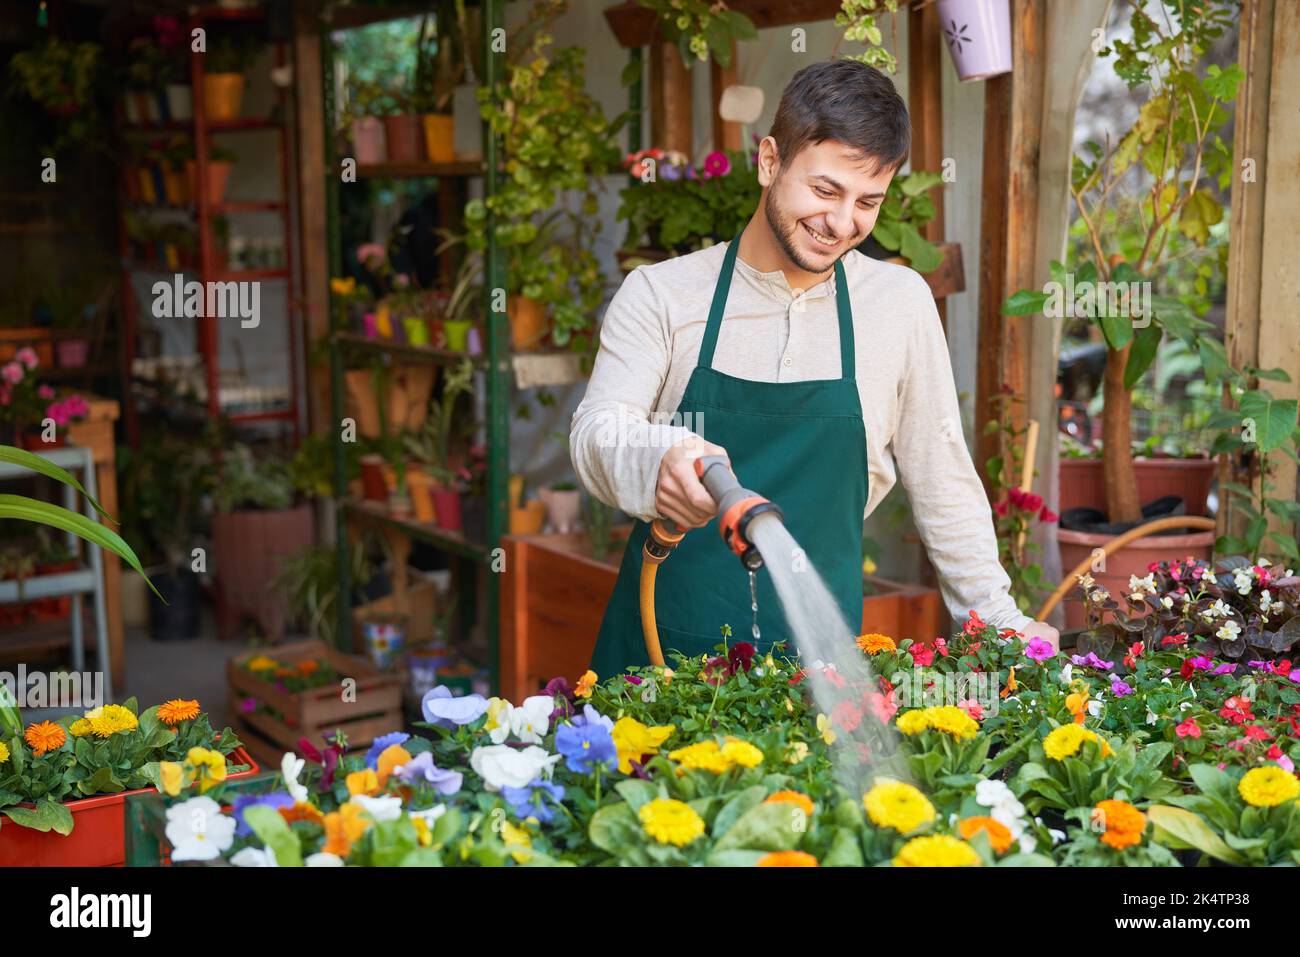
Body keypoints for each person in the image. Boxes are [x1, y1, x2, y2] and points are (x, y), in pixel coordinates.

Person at [570, 59, 1060, 676]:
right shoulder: (663, 295)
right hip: (659, 657)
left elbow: (945, 484)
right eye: (826, 190)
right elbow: (597, 433)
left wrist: (1001, 626)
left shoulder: (900, 304)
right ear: (769, 160)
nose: (841, 223)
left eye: (868, 202)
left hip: (819, 668)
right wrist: (655, 460)